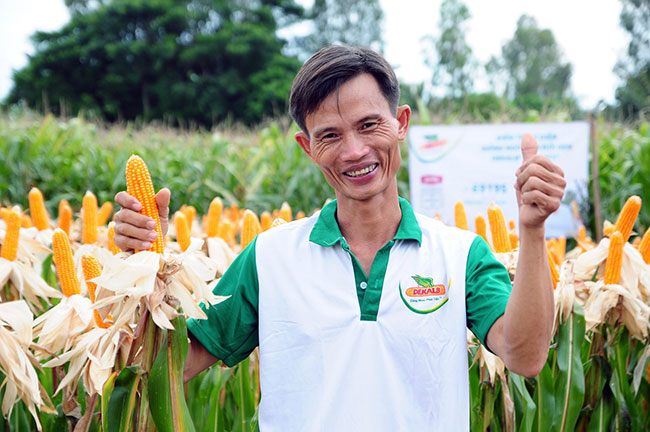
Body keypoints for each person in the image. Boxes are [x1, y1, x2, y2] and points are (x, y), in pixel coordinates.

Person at [114, 45, 566, 430]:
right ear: (308, 148)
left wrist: (532, 229)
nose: (354, 151)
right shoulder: (269, 258)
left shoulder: (459, 254)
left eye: (370, 125)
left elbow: (524, 356)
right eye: (330, 135)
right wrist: (143, 270)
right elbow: (166, 368)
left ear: (401, 122)